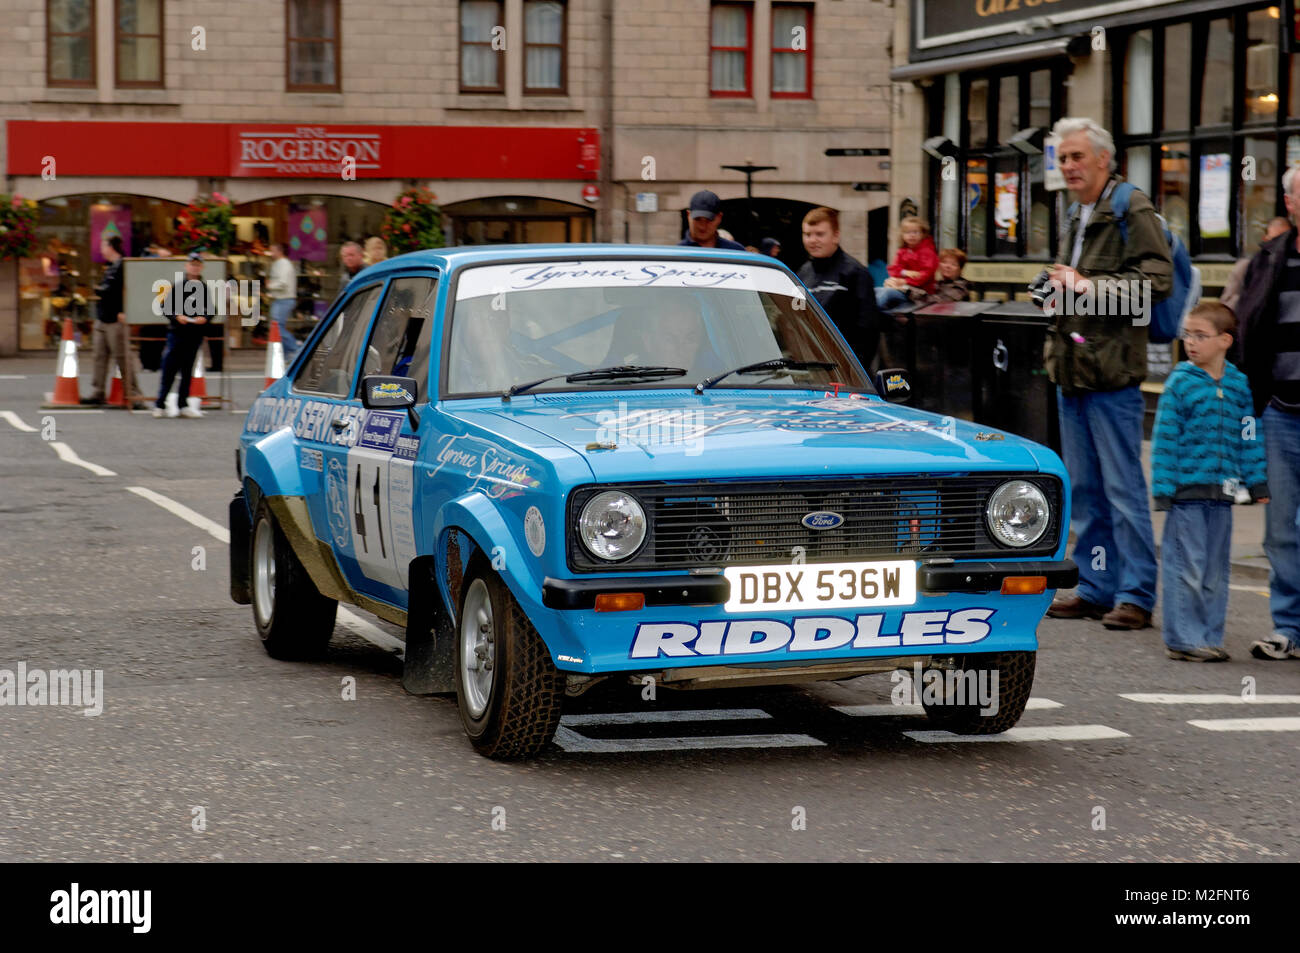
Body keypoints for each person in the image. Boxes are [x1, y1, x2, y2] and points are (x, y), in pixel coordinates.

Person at [1043, 116, 1172, 630]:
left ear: (1103, 158)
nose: (1067, 166)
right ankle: (1096, 587)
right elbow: (1069, 284)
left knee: (1123, 492)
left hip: (1113, 374)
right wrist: (1050, 288)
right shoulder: (1076, 211)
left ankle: (1137, 595)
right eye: (1062, 158)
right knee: (1087, 492)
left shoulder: (1131, 205)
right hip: (1071, 369)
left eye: (1075, 156)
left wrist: (1087, 286)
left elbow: (1155, 283)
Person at [1151, 303, 1268, 661]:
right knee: (1187, 566)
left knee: (1215, 571)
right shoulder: (1180, 383)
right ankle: (1184, 638)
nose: (1191, 342)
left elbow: (1249, 436)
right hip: (1187, 494)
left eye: (1200, 336)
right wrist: (1163, 487)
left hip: (1224, 495)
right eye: (1187, 335)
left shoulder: (1238, 384)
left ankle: (1208, 637)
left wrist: (1257, 481)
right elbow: (1165, 439)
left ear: (1224, 340)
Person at [1234, 167, 1300, 660]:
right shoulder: (1270, 258)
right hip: (1279, 412)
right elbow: (1247, 331)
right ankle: (1289, 627)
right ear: (1289, 202)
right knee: (1279, 528)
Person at [796, 205, 884, 371]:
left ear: (836, 236)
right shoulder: (802, 273)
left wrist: (855, 371)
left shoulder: (856, 273)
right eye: (807, 234)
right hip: (808, 367)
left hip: (845, 369)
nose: (812, 240)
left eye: (820, 234)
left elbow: (868, 330)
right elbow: (795, 316)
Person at [153, 251, 215, 419]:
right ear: (186, 266)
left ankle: (183, 404)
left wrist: (205, 318)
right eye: (192, 265)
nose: (194, 268)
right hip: (177, 333)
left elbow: (211, 310)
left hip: (195, 334)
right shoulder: (177, 287)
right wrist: (176, 317)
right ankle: (160, 403)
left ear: (201, 267)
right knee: (170, 369)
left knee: (188, 370)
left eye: (197, 265)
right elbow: (165, 308)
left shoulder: (204, 288)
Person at [83, 235, 138, 406]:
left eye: (103, 246)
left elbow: (127, 290)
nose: (101, 250)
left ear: (111, 247)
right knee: (99, 357)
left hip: (115, 319)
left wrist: (124, 310)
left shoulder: (123, 266)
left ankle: (133, 394)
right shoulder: (110, 267)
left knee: (122, 357)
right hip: (103, 317)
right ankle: (97, 391)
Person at [1221, 216, 1289, 317]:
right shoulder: (1247, 265)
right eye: (1275, 239)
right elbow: (1228, 300)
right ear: (1265, 239)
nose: (1280, 245)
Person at [876, 216, 939, 309]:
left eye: (915, 232)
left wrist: (904, 281)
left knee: (887, 294)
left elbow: (925, 275)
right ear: (902, 235)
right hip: (903, 287)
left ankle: (869, 315)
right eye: (907, 232)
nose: (911, 235)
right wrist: (904, 273)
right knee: (876, 290)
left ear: (923, 234)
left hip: (920, 292)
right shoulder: (902, 251)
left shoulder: (928, 252)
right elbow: (893, 269)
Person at [678, 190, 745, 250]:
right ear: (688, 215)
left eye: (709, 220)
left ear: (719, 217)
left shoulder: (735, 251)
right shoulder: (676, 254)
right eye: (697, 219)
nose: (702, 226)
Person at [267, 243, 300, 361]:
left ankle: (295, 349)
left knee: (277, 327)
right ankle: (286, 354)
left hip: (284, 299)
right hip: (281, 299)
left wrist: (270, 285)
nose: (271, 253)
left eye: (273, 251)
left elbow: (283, 283)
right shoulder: (280, 264)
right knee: (276, 327)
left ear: (279, 251)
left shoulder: (284, 264)